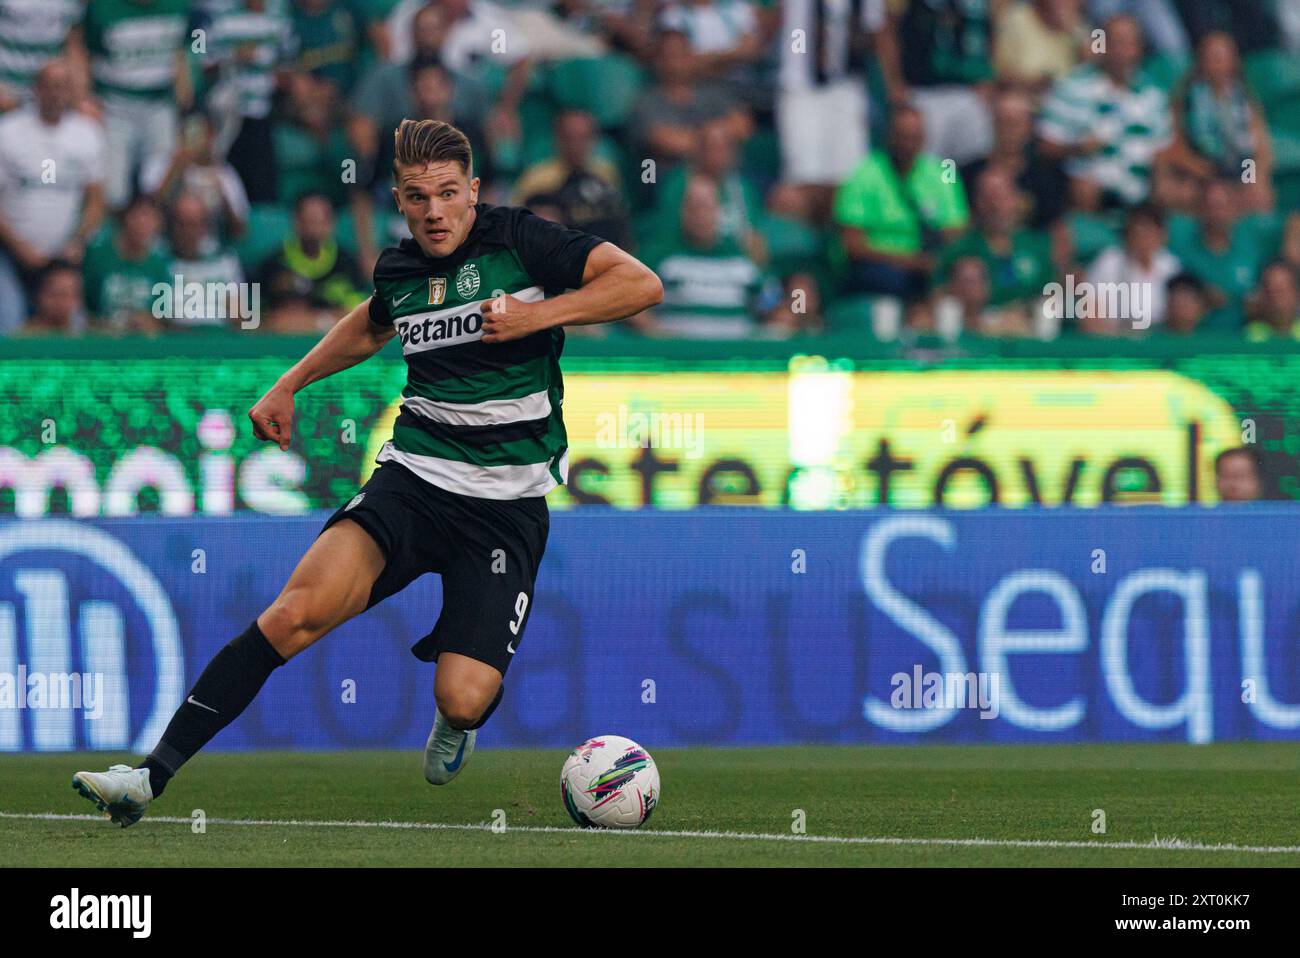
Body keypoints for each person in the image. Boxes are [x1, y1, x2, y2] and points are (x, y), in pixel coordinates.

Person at [70, 118, 663, 827]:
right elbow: (373, 323)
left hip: (505, 508)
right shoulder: (402, 270)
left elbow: (640, 284)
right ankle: (146, 779)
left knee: (464, 695)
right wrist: (290, 382)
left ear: (472, 192)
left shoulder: (521, 241)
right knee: (293, 615)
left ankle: (458, 715)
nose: (435, 211)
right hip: (412, 482)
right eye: (418, 197)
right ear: (400, 201)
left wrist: (542, 317)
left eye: (448, 193)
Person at [0, 58, 105, 333]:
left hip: (64, 261)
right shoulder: (9, 131)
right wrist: (19, 246)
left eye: (63, 87)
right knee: (9, 327)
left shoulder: (86, 134)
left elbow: (96, 199)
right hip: (11, 255)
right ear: (36, 89)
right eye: (49, 86)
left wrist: (78, 240)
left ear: (71, 91)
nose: (56, 94)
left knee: (71, 333)